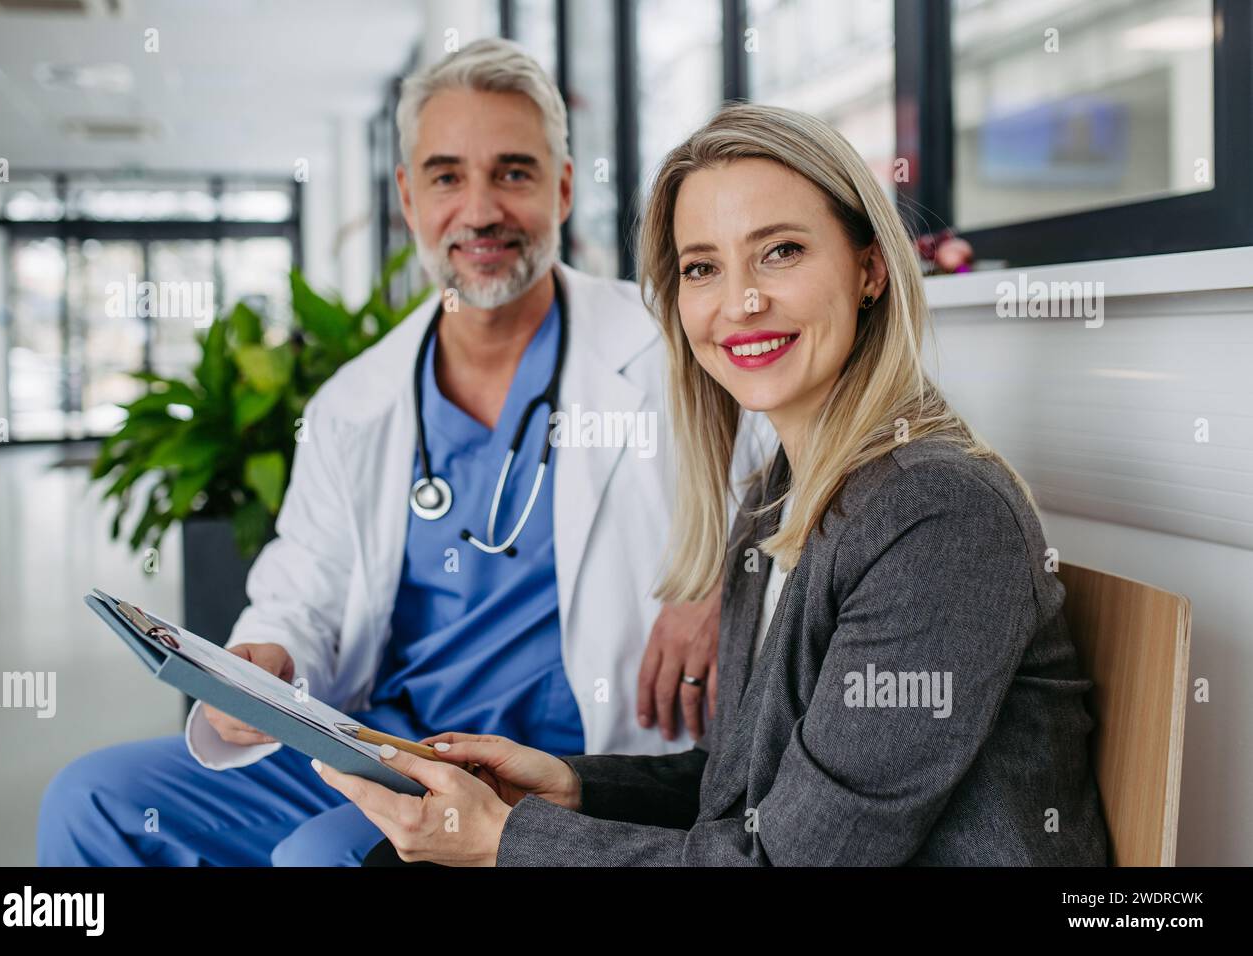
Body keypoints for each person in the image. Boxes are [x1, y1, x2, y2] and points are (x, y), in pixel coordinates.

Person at [37, 39, 767, 867]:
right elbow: (301, 583)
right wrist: (266, 656)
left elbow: (797, 470)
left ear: (563, 188)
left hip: (558, 769)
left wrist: (720, 575)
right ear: (408, 197)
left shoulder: (671, 344)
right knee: (92, 800)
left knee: (319, 856)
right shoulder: (356, 399)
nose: (481, 209)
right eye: (448, 175)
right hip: (383, 747)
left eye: (515, 173)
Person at [322, 102, 1110, 866]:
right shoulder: (777, 495)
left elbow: (789, 862)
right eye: (703, 267)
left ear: (869, 267)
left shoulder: (937, 518)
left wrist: (506, 842)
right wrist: (570, 788)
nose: (740, 302)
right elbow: (749, 794)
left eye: (781, 252)